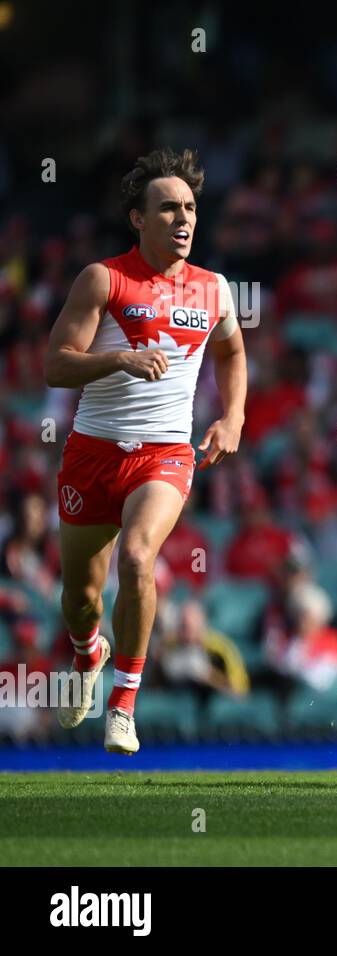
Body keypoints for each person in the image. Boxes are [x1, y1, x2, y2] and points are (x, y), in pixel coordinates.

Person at [43, 148, 246, 754]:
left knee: (137, 558)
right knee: (80, 600)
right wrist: (120, 358)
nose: (183, 219)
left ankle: (124, 705)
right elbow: (55, 365)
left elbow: (233, 352)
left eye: (190, 208)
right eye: (168, 209)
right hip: (91, 454)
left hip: (163, 455)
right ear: (138, 218)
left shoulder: (214, 289)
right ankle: (88, 654)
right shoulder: (102, 279)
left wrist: (233, 415)